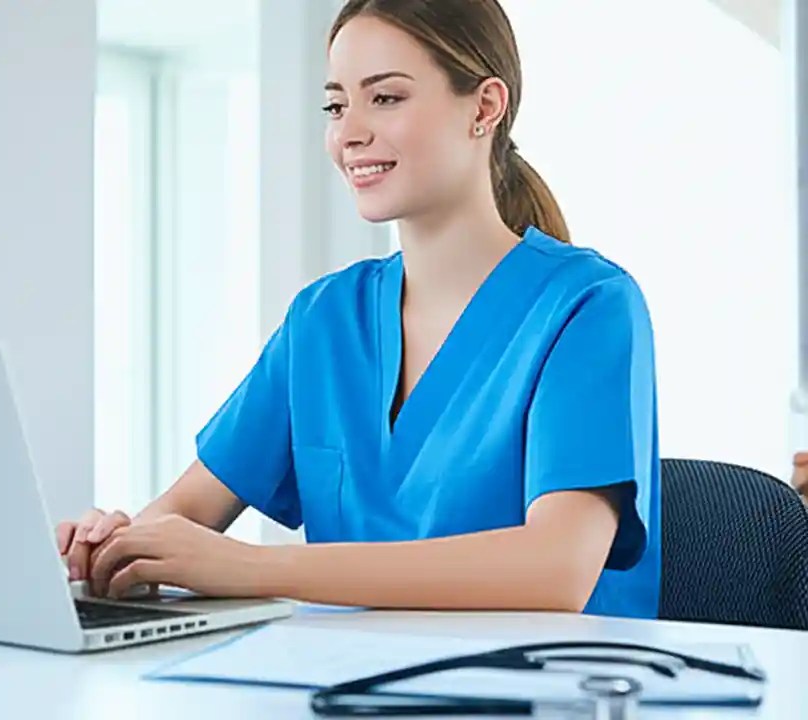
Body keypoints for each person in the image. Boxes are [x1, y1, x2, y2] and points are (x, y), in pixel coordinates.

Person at [57, 0, 661, 619]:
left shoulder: (588, 306)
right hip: (345, 689)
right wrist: (110, 550)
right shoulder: (324, 320)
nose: (348, 133)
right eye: (336, 105)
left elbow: (556, 570)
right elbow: (182, 518)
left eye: (387, 98)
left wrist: (252, 567)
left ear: (485, 107)